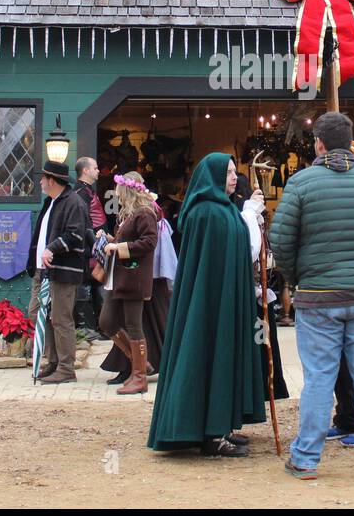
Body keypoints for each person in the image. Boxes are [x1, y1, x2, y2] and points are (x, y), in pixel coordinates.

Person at [269, 111, 354, 480]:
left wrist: (299, 278)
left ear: (319, 144)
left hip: (318, 298)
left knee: (319, 378)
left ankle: (306, 459)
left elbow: (280, 241)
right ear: (350, 142)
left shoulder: (301, 183)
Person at [148, 153, 265, 458]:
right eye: (226, 173)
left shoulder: (223, 210)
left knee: (222, 357)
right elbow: (215, 262)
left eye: (232, 172)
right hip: (211, 304)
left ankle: (221, 426)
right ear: (211, 177)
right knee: (210, 355)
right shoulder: (208, 213)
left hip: (225, 299)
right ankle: (210, 434)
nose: (232, 178)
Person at [98, 171, 173, 386]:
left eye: (119, 191)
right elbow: (130, 240)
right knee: (107, 322)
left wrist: (119, 246)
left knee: (133, 325)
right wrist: (109, 239)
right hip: (120, 278)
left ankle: (139, 377)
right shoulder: (128, 215)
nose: (117, 195)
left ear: (127, 191)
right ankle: (142, 364)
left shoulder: (145, 213)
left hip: (134, 278)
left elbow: (149, 242)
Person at [23, 160, 91, 384]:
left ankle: (66, 368)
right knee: (38, 313)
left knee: (61, 319)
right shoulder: (51, 202)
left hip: (63, 270)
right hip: (43, 270)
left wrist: (51, 249)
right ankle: (53, 361)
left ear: (52, 180)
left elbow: (76, 236)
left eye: (43, 178)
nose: (40, 181)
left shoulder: (74, 203)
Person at [241, 184, 288, 401]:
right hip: (251, 296)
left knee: (264, 339)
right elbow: (250, 252)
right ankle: (259, 386)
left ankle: (268, 385)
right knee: (258, 340)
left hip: (262, 296)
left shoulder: (258, 224)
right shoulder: (244, 220)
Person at [73, 157, 108, 341]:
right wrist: (93, 243)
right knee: (86, 287)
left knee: (97, 286)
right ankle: (86, 329)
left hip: (95, 249)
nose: (98, 171)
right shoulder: (80, 193)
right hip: (88, 251)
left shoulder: (87, 191)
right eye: (95, 168)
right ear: (85, 170)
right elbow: (84, 222)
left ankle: (102, 328)